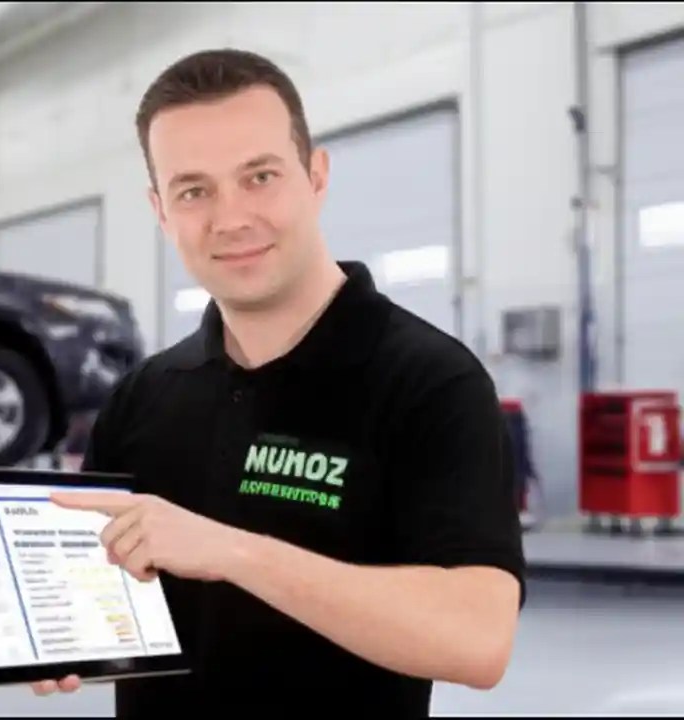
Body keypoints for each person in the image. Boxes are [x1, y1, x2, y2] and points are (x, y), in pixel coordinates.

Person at [28, 48, 526, 718]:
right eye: (194, 190)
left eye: (259, 177)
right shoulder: (144, 394)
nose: (231, 218)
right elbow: (103, 593)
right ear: (160, 209)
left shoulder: (430, 380)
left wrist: (230, 552)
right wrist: (46, 622)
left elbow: (478, 640)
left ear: (316, 176)